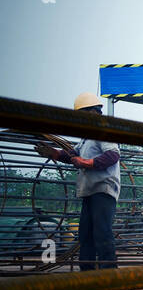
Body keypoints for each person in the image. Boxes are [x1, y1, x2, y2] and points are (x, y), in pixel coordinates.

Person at [35, 92, 121, 271]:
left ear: (93, 113)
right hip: (89, 191)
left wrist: (87, 163)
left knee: (102, 232)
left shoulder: (103, 131)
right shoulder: (87, 137)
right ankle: (86, 274)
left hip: (103, 190)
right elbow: (73, 155)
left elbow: (113, 155)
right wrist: (55, 153)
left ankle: (110, 274)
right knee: (85, 235)